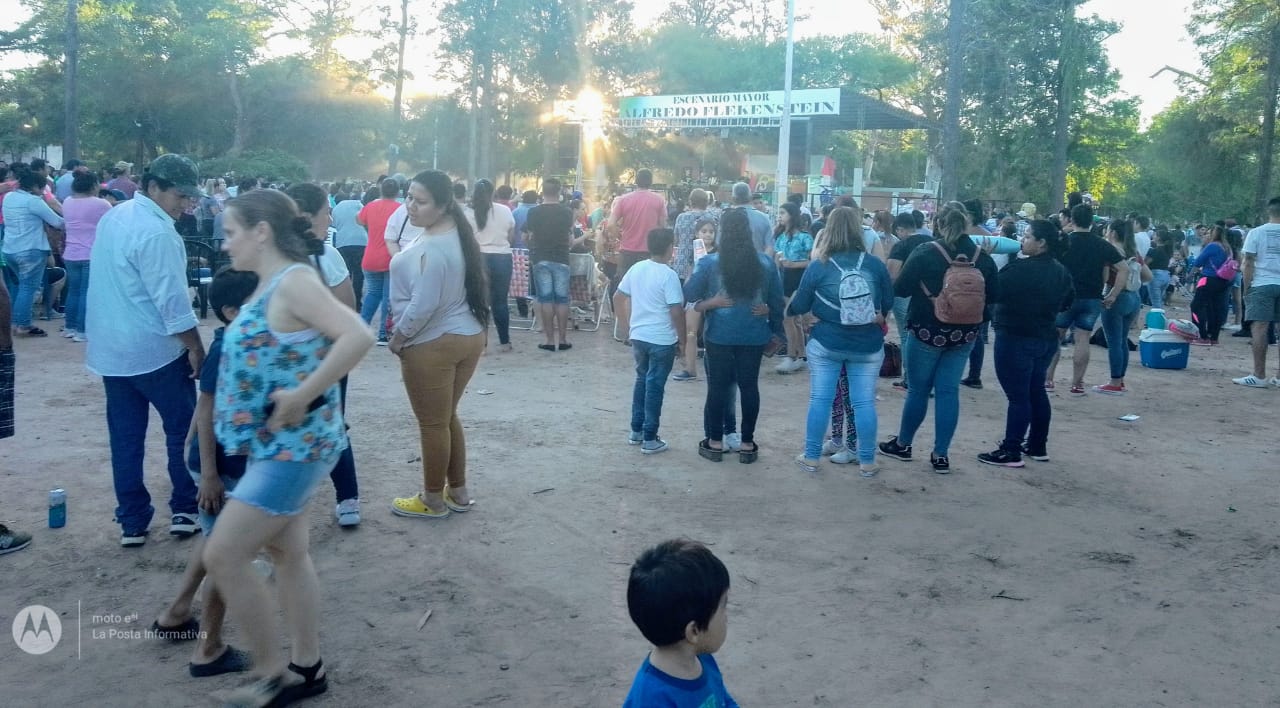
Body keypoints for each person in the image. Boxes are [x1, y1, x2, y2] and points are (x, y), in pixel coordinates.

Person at [205, 188, 373, 707]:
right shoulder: (271, 283)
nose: (225, 242)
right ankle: (307, 666)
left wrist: (302, 393)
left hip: (294, 449)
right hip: (275, 445)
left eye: (232, 231)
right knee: (288, 553)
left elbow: (358, 335)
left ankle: (270, 673)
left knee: (224, 553)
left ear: (261, 231)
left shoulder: (295, 282)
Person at [86, 154, 207, 546]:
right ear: (153, 187)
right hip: (156, 350)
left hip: (112, 351)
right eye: (180, 194)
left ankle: (132, 521)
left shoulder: (114, 217)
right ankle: (186, 509)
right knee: (182, 434)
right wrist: (196, 348)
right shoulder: (159, 233)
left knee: (125, 439)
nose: (186, 203)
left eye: (190, 196)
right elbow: (173, 303)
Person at [152, 267, 257, 676]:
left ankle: (177, 612)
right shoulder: (230, 344)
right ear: (231, 311)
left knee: (215, 541)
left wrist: (194, 447)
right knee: (228, 555)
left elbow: (205, 404)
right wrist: (209, 473)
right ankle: (208, 648)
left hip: (218, 463)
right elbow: (209, 405)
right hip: (223, 469)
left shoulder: (234, 340)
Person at [387, 170, 489, 519]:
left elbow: (422, 305)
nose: (411, 206)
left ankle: (432, 498)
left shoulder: (432, 247)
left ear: (444, 206)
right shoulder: (457, 236)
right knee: (445, 418)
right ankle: (457, 491)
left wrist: (398, 339)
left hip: (432, 342)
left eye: (420, 200)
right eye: (409, 197)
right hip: (467, 336)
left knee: (433, 423)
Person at [878, 201, 999, 473]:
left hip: (926, 329)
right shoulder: (983, 256)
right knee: (948, 391)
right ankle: (941, 454)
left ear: (938, 224)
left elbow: (902, 288)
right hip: (965, 333)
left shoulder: (925, 252)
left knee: (918, 390)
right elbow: (994, 297)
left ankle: (904, 444)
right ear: (966, 224)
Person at [787, 206, 893, 478]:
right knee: (864, 403)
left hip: (827, 342)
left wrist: (814, 315)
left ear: (828, 230)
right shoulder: (874, 264)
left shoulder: (819, 265)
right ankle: (867, 461)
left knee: (820, 399)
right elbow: (887, 303)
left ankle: (811, 457)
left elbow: (798, 304)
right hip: (867, 345)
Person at [286, 183, 363, 526]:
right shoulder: (325, 257)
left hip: (282, 360)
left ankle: (289, 502)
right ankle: (347, 499)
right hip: (325, 358)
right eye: (325, 211)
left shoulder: (270, 254)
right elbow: (349, 310)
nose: (329, 217)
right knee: (332, 425)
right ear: (307, 216)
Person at [684, 208, 785, 464]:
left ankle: (715, 441)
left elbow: (689, 293)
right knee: (749, 387)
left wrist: (709, 301)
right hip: (753, 333)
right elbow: (776, 301)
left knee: (717, 388)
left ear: (722, 232)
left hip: (720, 334)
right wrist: (774, 327)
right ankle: (747, 443)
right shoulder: (764, 263)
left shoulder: (709, 262)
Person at [977, 221, 1074, 467]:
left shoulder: (1019, 269)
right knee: (1035, 391)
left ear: (1041, 242)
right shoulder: (1060, 270)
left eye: (1029, 236)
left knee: (1019, 397)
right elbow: (1067, 301)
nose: (1024, 240)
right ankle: (1037, 445)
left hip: (1016, 336)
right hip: (1045, 337)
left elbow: (991, 292)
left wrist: (985, 260)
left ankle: (1011, 450)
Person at [623, 539, 738, 708]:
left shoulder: (703, 660)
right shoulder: (652, 699)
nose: (727, 617)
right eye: (723, 606)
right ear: (694, 631)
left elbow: (723, 701)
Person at [614, 228, 686, 455]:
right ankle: (650, 437)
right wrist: (683, 341)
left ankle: (636, 430)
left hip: (639, 336)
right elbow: (676, 311)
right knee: (655, 386)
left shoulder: (637, 268)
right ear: (669, 248)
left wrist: (625, 328)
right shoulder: (668, 275)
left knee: (642, 381)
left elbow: (618, 297)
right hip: (662, 338)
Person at [1045, 204, 1123, 394]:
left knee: (1056, 337)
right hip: (1092, 297)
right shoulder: (1102, 244)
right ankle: (1077, 383)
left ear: (1072, 219)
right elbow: (1124, 268)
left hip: (1064, 297)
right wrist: (1113, 294)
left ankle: (1048, 379)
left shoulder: (1064, 242)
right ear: (1092, 220)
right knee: (1083, 339)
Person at [2, 164, 64, 337]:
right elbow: (57, 222)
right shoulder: (33, 202)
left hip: (10, 249)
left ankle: (15, 323)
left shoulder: (9, 197)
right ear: (35, 187)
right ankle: (23, 325)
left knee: (20, 286)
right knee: (29, 288)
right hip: (31, 250)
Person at [1094, 219, 1151, 395]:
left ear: (1112, 233)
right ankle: (1120, 379)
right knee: (1122, 340)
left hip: (1115, 296)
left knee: (1113, 342)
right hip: (1134, 298)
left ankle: (1114, 381)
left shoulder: (1109, 251)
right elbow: (1148, 276)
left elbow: (1103, 277)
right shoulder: (1133, 252)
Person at [525, 177, 579, 351]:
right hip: (561, 258)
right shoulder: (566, 212)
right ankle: (563, 339)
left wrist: (532, 248)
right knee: (562, 300)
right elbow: (570, 240)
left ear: (542, 192)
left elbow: (526, 236)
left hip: (540, 258)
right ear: (559, 192)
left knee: (545, 299)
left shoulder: (534, 212)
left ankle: (549, 340)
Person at [465, 179, 517, 352]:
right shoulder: (504, 210)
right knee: (500, 302)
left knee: (480, 302)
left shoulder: (469, 213)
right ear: (493, 192)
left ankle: (483, 344)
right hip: (502, 258)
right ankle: (505, 342)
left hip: (479, 257)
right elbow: (511, 236)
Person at [60, 170, 111, 342]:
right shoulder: (101, 204)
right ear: (93, 186)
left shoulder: (67, 202)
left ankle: (70, 326)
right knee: (86, 293)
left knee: (73, 291)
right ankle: (82, 331)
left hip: (70, 254)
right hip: (90, 254)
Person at [1234, 198, 1280, 387]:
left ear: (1268, 212)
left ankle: (1259, 375)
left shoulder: (1256, 233)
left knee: (1260, 328)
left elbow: (1248, 263)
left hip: (1262, 284)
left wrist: (1246, 288)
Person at [887, 211, 933, 390]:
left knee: (907, 336)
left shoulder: (901, 245)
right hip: (932, 297)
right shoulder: (934, 243)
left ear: (900, 229)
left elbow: (892, 274)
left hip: (905, 296)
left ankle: (910, 378)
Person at [356, 178, 401, 345]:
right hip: (391, 256)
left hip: (370, 256)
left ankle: (360, 328)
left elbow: (359, 220)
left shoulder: (370, 206)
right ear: (398, 192)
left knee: (372, 294)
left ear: (381, 190)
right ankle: (383, 333)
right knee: (388, 296)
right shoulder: (400, 209)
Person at [772, 201, 814, 374]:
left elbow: (813, 262)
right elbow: (777, 259)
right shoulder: (781, 237)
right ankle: (801, 355)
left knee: (788, 317)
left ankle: (791, 356)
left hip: (799, 280)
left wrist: (793, 264)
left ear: (792, 215)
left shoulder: (805, 237)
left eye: (783, 213)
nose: (779, 216)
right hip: (784, 280)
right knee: (794, 319)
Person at [674, 217, 718, 381]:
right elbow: (689, 273)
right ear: (697, 233)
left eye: (711, 232)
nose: (708, 235)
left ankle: (713, 370)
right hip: (695, 295)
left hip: (713, 297)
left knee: (711, 332)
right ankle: (690, 368)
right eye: (704, 231)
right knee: (690, 332)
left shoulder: (719, 252)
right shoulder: (691, 251)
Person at [611, 169, 668, 281]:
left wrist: (619, 236)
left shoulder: (623, 200)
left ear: (636, 181)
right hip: (649, 252)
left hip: (627, 252)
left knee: (626, 288)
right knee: (646, 288)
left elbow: (610, 224)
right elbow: (663, 226)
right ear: (650, 182)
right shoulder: (659, 200)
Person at [1189, 225, 1234, 345]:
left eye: (1208, 233)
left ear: (1214, 234)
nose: (1206, 235)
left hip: (1208, 279)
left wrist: (1190, 275)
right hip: (1223, 280)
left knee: (1196, 306)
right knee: (1214, 309)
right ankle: (1214, 337)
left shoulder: (1212, 246)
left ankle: (1201, 335)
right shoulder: (1227, 247)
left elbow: (1198, 262)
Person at [330, 193, 367, 306]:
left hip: (343, 243)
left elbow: (334, 225)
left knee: (346, 273)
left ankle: (346, 302)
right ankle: (358, 302)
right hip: (361, 241)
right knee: (359, 273)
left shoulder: (336, 209)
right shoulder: (359, 204)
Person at [725, 182, 772, 254]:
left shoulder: (726, 218)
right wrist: (764, 263)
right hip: (757, 263)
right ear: (750, 197)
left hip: (732, 263)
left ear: (733, 199)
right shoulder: (764, 218)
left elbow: (720, 245)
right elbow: (770, 246)